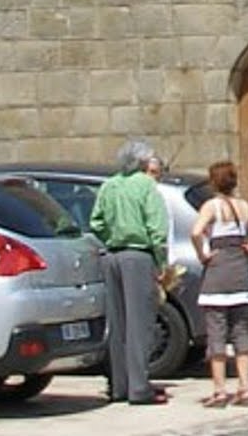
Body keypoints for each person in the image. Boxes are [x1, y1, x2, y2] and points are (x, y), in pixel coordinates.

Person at [89, 138, 171, 405]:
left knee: (117, 323)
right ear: (143, 162)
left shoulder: (109, 185)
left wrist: (111, 237)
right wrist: (161, 262)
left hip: (112, 255)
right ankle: (139, 387)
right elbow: (157, 230)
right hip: (138, 255)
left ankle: (118, 385)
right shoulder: (146, 185)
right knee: (140, 323)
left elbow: (96, 222)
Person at [189, 159, 248, 408]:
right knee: (240, 332)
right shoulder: (243, 206)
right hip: (239, 271)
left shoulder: (211, 206)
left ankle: (219, 390)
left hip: (217, 273)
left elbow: (196, 232)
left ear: (213, 182)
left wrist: (202, 254)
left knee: (216, 331)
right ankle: (245, 387)